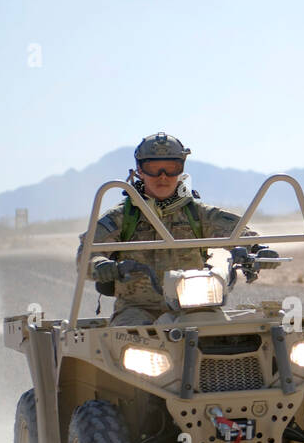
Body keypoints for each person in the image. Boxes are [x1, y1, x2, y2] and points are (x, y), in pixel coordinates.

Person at [79, 132, 255, 325]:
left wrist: (256, 249)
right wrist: (100, 265)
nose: (162, 176)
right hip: (138, 310)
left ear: (181, 169)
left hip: (194, 306)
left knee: (225, 337)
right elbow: (86, 254)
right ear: (139, 170)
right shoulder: (122, 217)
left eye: (171, 168)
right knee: (128, 340)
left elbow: (240, 232)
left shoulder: (196, 214)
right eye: (153, 168)